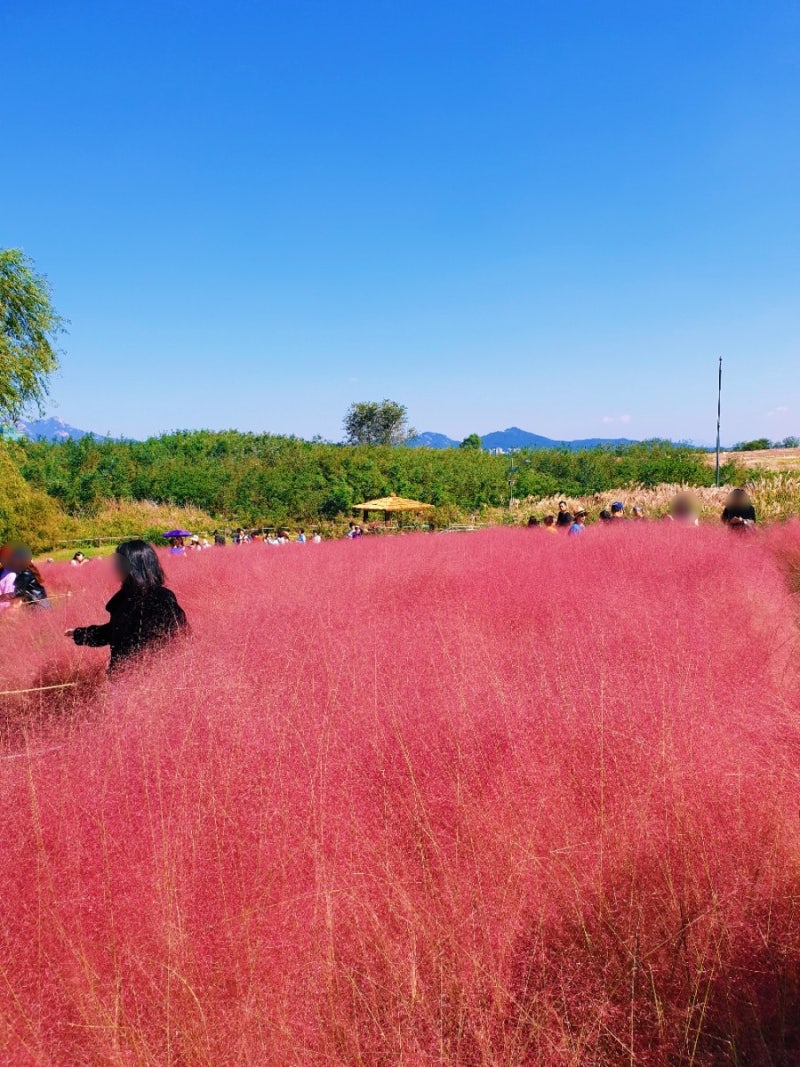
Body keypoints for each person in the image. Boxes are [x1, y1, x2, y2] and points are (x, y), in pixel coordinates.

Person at [67, 540, 187, 673]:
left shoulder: (161, 597)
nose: (114, 565)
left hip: (153, 678)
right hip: (122, 677)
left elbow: (182, 635)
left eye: (118, 560)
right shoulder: (124, 597)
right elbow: (112, 631)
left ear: (133, 565)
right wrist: (80, 634)